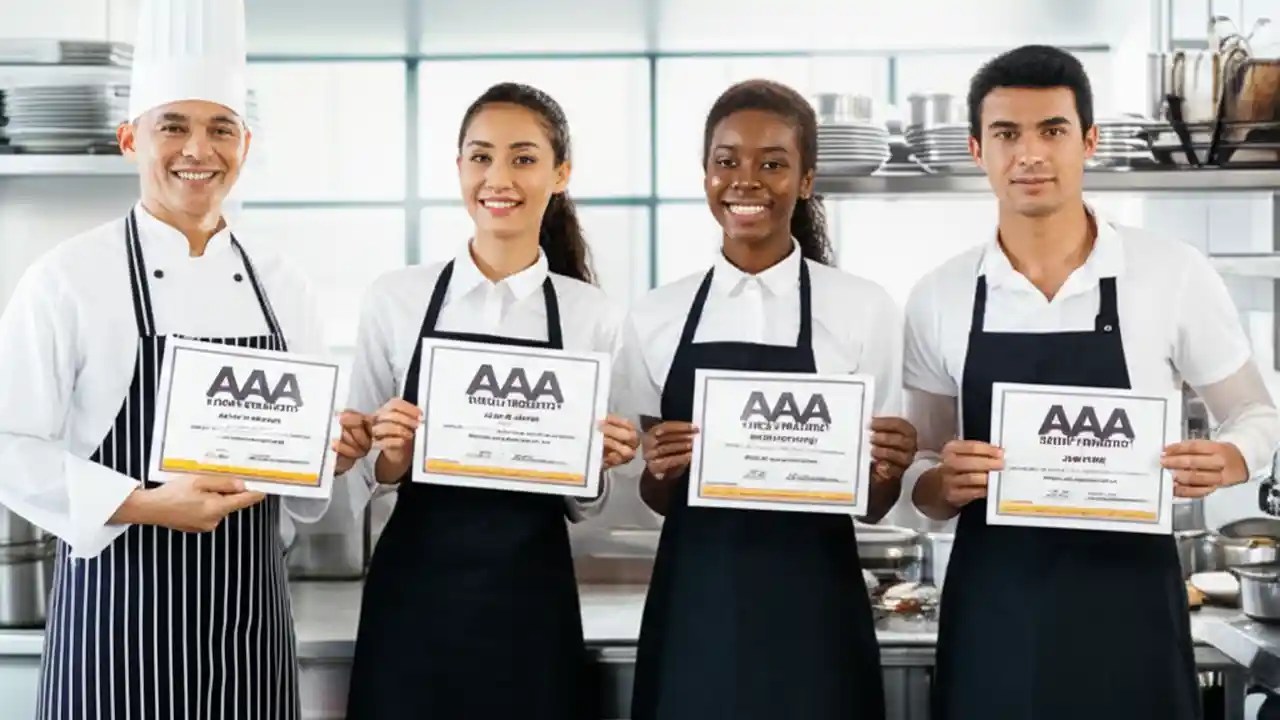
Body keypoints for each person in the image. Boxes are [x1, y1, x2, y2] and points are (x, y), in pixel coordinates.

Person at [0, 0, 371, 717]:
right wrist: (144, 503)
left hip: (249, 627)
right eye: (173, 125)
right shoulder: (68, 277)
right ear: (129, 138)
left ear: (245, 143)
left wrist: (336, 447)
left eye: (220, 129)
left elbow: (301, 470)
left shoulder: (281, 282)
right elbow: (8, 445)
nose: (197, 150)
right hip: (116, 625)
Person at [904, 45, 1280, 720]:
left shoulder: (1172, 273)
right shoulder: (938, 295)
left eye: (1052, 130)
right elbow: (924, 471)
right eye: (1006, 134)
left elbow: (1256, 412)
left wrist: (1228, 459)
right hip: (996, 618)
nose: (1030, 154)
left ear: (1089, 141)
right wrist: (940, 483)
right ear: (976, 149)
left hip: (1130, 613)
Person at [614, 78, 917, 720]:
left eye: (773, 164)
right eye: (727, 162)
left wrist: (888, 464)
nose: (746, 181)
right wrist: (659, 467)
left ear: (806, 180)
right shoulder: (656, 314)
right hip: (697, 606)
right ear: (705, 176)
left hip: (818, 611)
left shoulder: (863, 308)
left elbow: (876, 501)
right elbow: (656, 495)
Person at [341, 81, 640, 719]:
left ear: (561, 174)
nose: (497, 177)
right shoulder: (396, 298)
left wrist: (599, 461)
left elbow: (586, 506)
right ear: (458, 169)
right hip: (415, 597)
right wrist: (387, 448)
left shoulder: (594, 315)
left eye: (523, 158)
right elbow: (363, 470)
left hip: (532, 599)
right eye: (480, 157)